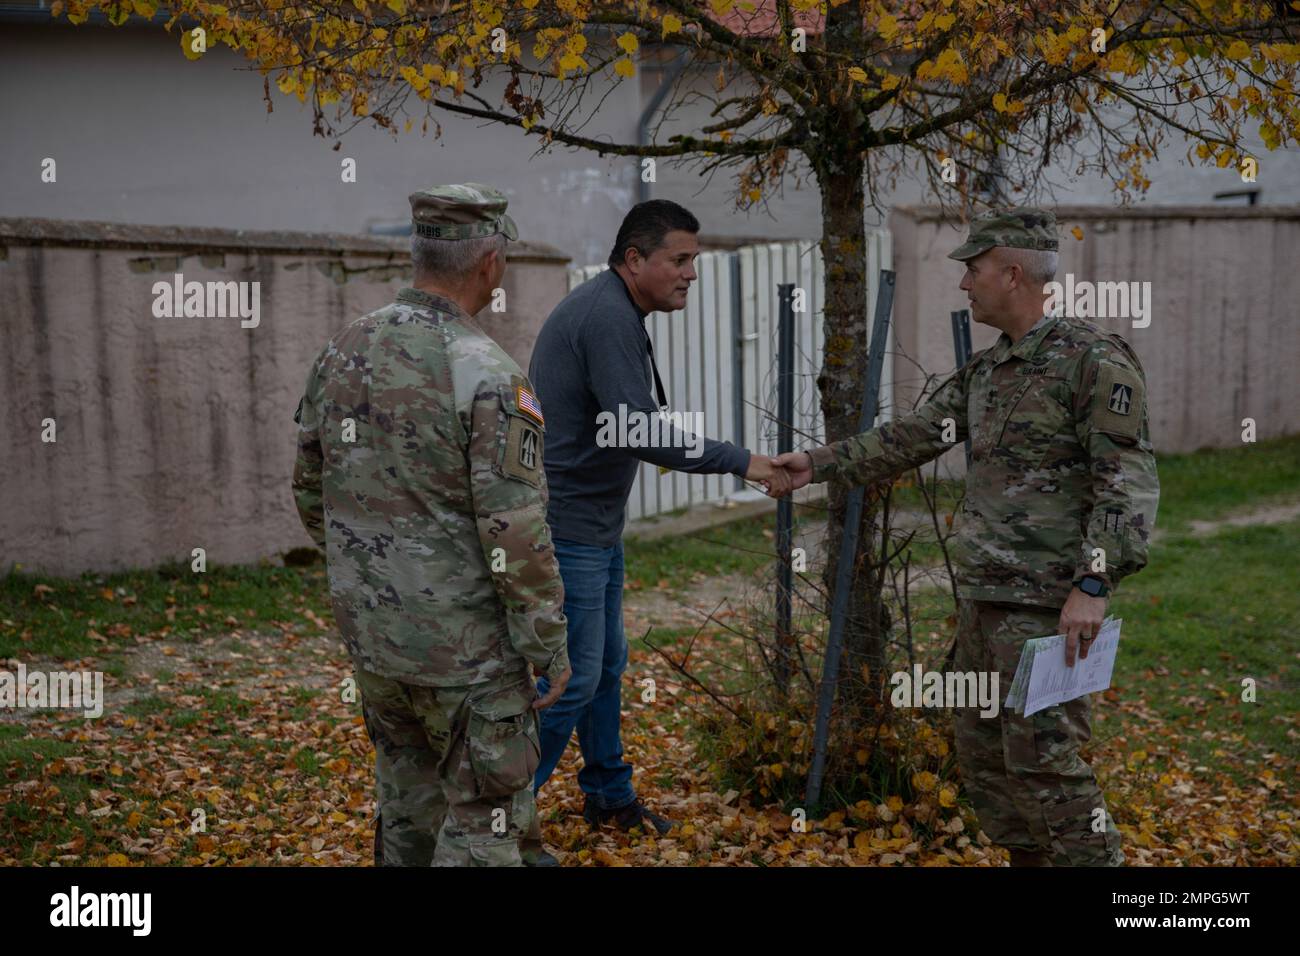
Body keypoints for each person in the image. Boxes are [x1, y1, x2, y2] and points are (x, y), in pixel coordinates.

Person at [772, 208, 1159, 866]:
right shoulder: (989, 372)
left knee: (1049, 771)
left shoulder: (1091, 361)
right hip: (983, 605)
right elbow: (911, 436)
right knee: (989, 771)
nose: (963, 285)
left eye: (972, 270)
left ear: (1011, 274)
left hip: (1048, 609)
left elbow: (1127, 482)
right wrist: (816, 465)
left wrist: (1093, 585)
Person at [292, 183, 572, 867]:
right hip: (468, 656)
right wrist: (545, 642)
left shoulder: (341, 351)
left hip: (377, 641)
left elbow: (309, 489)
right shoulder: (488, 375)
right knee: (486, 820)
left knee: (410, 807)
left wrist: (371, 577)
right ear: (491, 264)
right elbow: (513, 530)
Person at [526, 199, 791, 838]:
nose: (690, 274)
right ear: (635, 259)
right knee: (571, 677)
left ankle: (609, 798)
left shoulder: (615, 309)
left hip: (592, 527)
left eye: (694, 261)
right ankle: (489, 815)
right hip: (568, 530)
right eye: (679, 260)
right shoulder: (607, 316)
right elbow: (639, 431)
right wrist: (744, 461)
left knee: (604, 666)